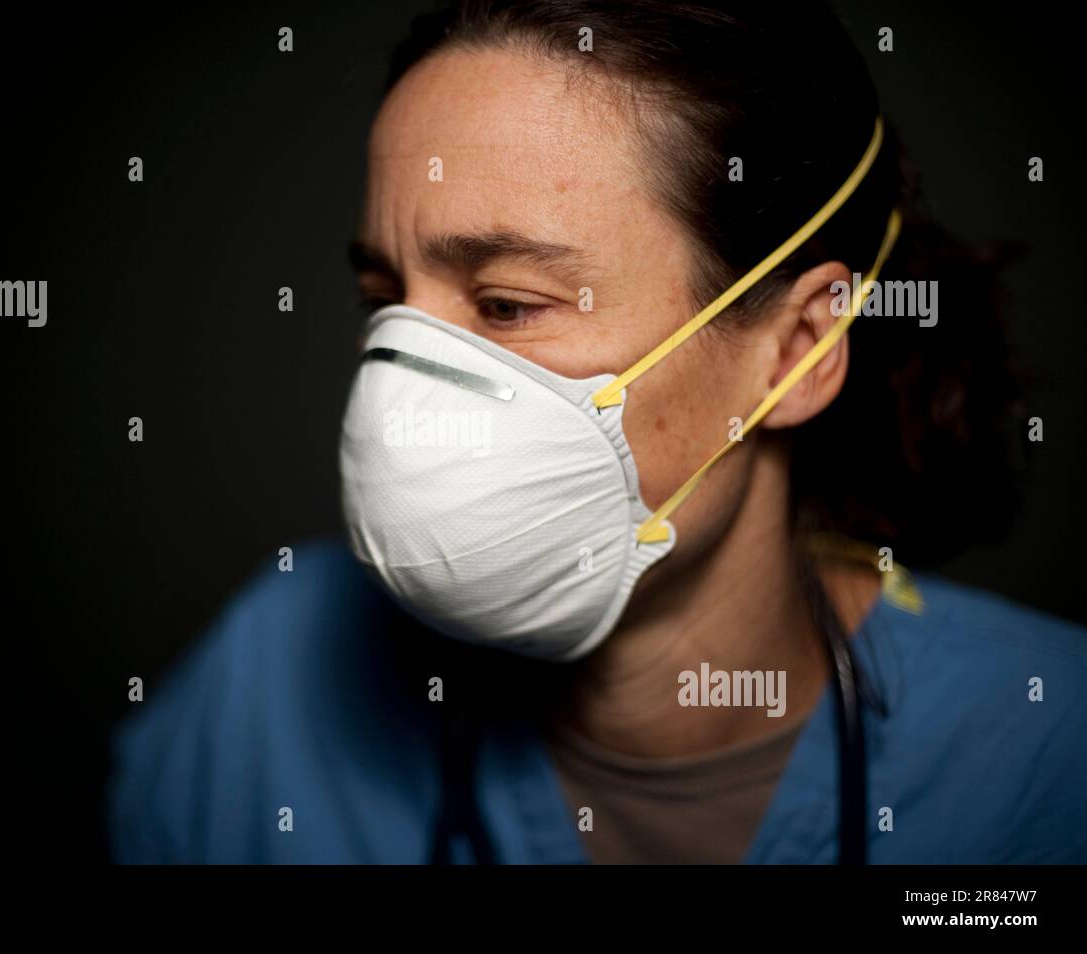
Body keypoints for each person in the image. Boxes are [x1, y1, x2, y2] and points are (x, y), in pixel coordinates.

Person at [106, 0, 1087, 864]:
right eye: (384, 301)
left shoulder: (1049, 752)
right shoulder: (270, 685)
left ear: (795, 347)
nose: (398, 402)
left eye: (506, 303)